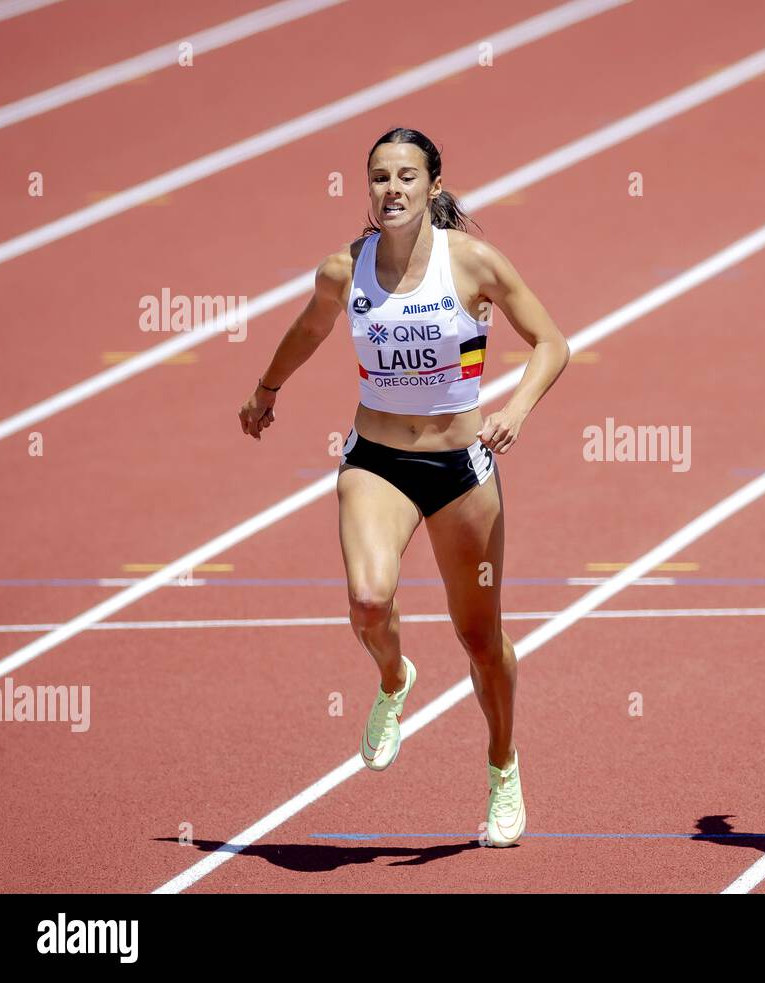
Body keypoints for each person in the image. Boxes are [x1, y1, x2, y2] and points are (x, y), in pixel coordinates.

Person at [238, 127, 569, 846]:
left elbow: (552, 341)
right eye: (380, 177)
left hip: (461, 470)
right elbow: (308, 328)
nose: (392, 189)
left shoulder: (473, 264)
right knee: (367, 596)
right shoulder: (343, 270)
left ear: (434, 187)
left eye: (407, 177)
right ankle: (394, 678)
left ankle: (502, 764)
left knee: (481, 640)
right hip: (377, 462)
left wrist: (514, 409)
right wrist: (266, 390)